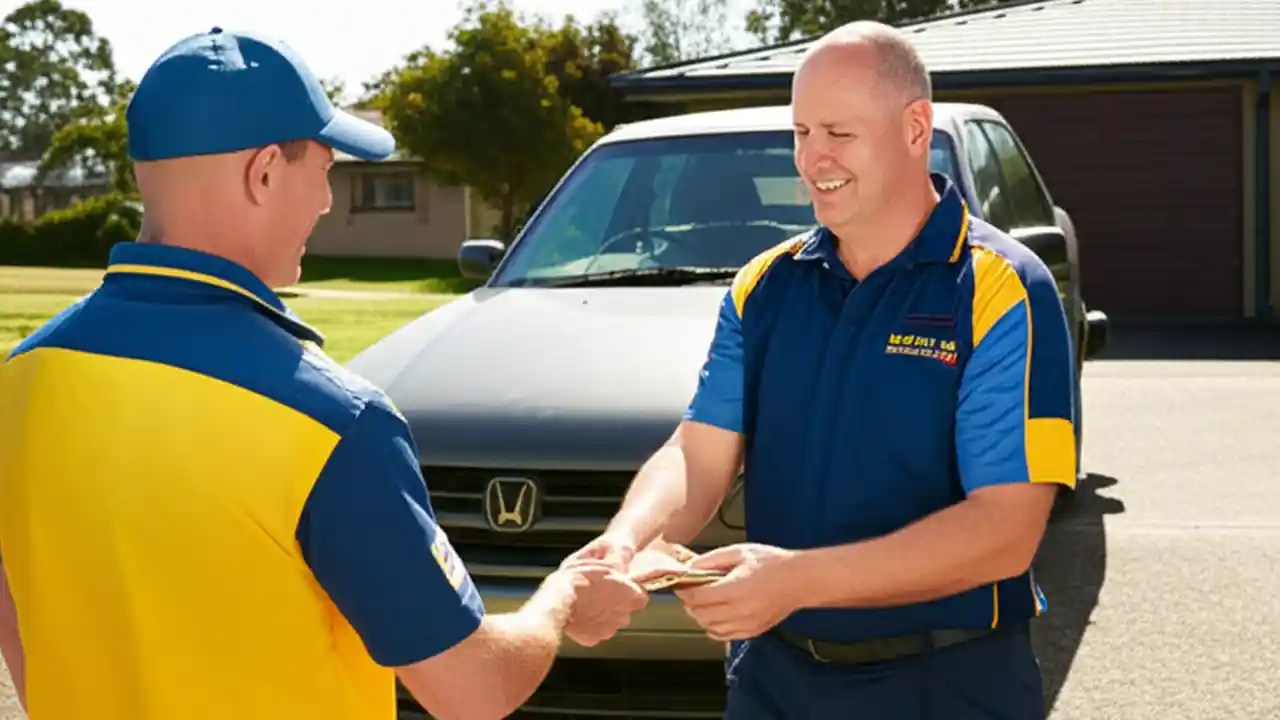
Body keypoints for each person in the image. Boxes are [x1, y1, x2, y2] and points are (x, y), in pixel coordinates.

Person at [0, 27, 645, 720]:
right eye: (325, 171)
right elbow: (474, 690)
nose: (328, 203)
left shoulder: (22, 379)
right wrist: (564, 596)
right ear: (266, 172)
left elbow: (17, 616)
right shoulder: (330, 420)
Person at [563, 20, 1077, 719]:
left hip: (947, 682)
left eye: (838, 133)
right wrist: (625, 545)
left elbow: (1005, 533)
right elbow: (699, 451)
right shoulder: (764, 285)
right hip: (774, 681)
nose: (812, 159)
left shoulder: (1000, 288)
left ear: (915, 127)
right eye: (801, 133)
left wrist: (796, 580)